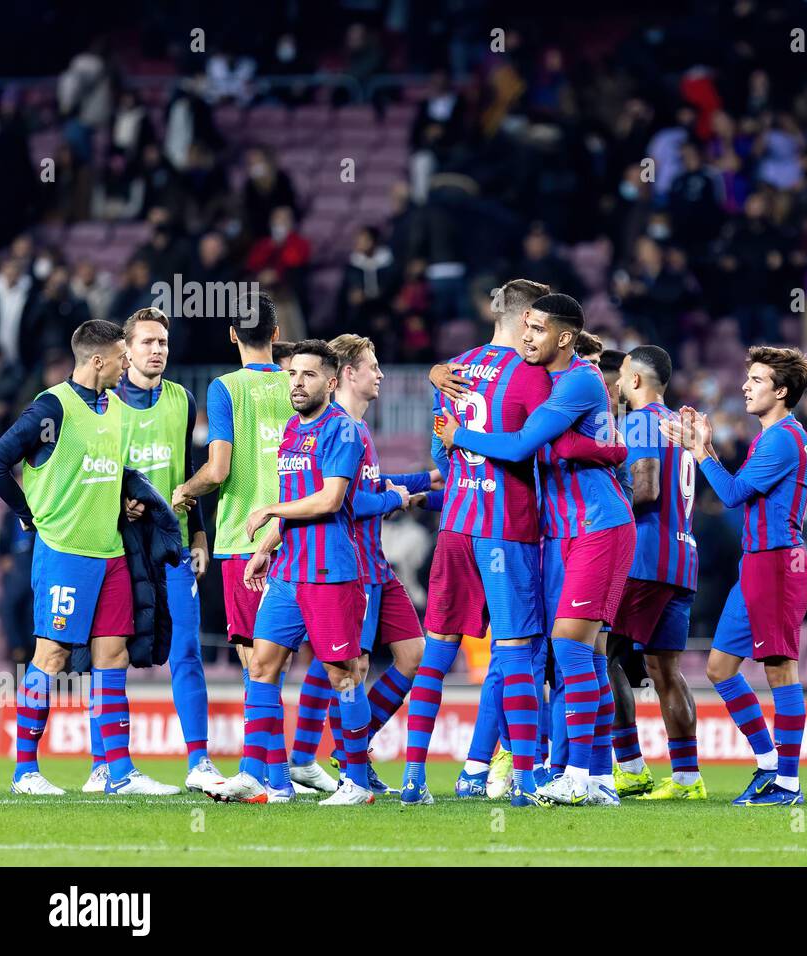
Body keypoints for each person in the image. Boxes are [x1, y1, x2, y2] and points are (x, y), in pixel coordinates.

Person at [409, 284, 628, 807]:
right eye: (527, 327)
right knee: (541, 653)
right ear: (519, 318)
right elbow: (538, 442)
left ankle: (557, 773)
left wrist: (453, 423)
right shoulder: (536, 376)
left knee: (556, 651)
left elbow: (511, 444)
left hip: (514, 526)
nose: (531, 337)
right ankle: (551, 776)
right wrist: (609, 447)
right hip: (529, 531)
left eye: (540, 329)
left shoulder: (462, 370)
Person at [0, 319, 178, 796]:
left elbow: (108, 470)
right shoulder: (50, 407)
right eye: (122, 356)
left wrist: (129, 499)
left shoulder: (116, 408)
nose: (128, 364)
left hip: (111, 552)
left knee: (112, 656)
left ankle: (117, 773)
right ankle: (25, 773)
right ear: (99, 361)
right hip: (64, 553)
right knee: (51, 655)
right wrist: (25, 514)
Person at [202, 340, 374, 806]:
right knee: (261, 666)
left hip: (330, 571)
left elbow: (329, 500)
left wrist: (268, 510)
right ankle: (257, 775)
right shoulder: (292, 433)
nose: (297, 383)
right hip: (288, 571)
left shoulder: (343, 430)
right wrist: (267, 545)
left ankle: (357, 782)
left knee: (344, 675)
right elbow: (298, 506)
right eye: (293, 374)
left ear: (332, 382)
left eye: (309, 375)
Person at [284, 334, 440, 795]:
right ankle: (331, 759)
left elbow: (373, 483)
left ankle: (334, 750)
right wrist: (397, 497)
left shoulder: (360, 429)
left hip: (377, 564)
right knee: (347, 664)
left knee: (410, 654)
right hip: (352, 567)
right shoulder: (336, 426)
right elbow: (346, 502)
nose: (381, 374)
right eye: (373, 366)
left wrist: (424, 479)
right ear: (348, 374)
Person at [661, 346, 807, 806]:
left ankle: (788, 784)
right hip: (756, 562)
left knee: (780, 670)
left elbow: (731, 495)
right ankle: (769, 765)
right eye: (747, 378)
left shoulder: (784, 438)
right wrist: (703, 448)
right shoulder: (770, 437)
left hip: (779, 562)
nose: (745, 386)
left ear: (782, 391)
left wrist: (700, 451)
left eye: (757, 380)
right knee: (719, 668)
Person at [81, 308, 220, 794]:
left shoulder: (182, 399)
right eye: (147, 343)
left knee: (186, 650)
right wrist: (116, 503)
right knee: (108, 654)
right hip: (117, 546)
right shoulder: (101, 403)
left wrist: (200, 537)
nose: (157, 350)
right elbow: (90, 472)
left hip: (174, 545)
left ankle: (199, 762)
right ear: (127, 349)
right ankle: (104, 764)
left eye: (163, 342)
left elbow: (187, 471)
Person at [171, 293, 295, 776]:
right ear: (276, 334)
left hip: (246, 539)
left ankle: (268, 775)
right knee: (281, 662)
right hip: (298, 533)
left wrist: (184, 489)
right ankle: (286, 768)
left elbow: (218, 469)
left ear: (231, 336)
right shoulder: (298, 384)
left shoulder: (225, 388)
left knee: (254, 664)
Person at [607, 345, 706, 800]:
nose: (618, 381)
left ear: (638, 380)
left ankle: (627, 766)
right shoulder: (679, 427)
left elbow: (645, 488)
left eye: (623, 373)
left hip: (644, 558)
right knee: (665, 670)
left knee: (596, 653)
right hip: (682, 559)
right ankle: (688, 780)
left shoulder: (642, 422)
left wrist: (603, 515)